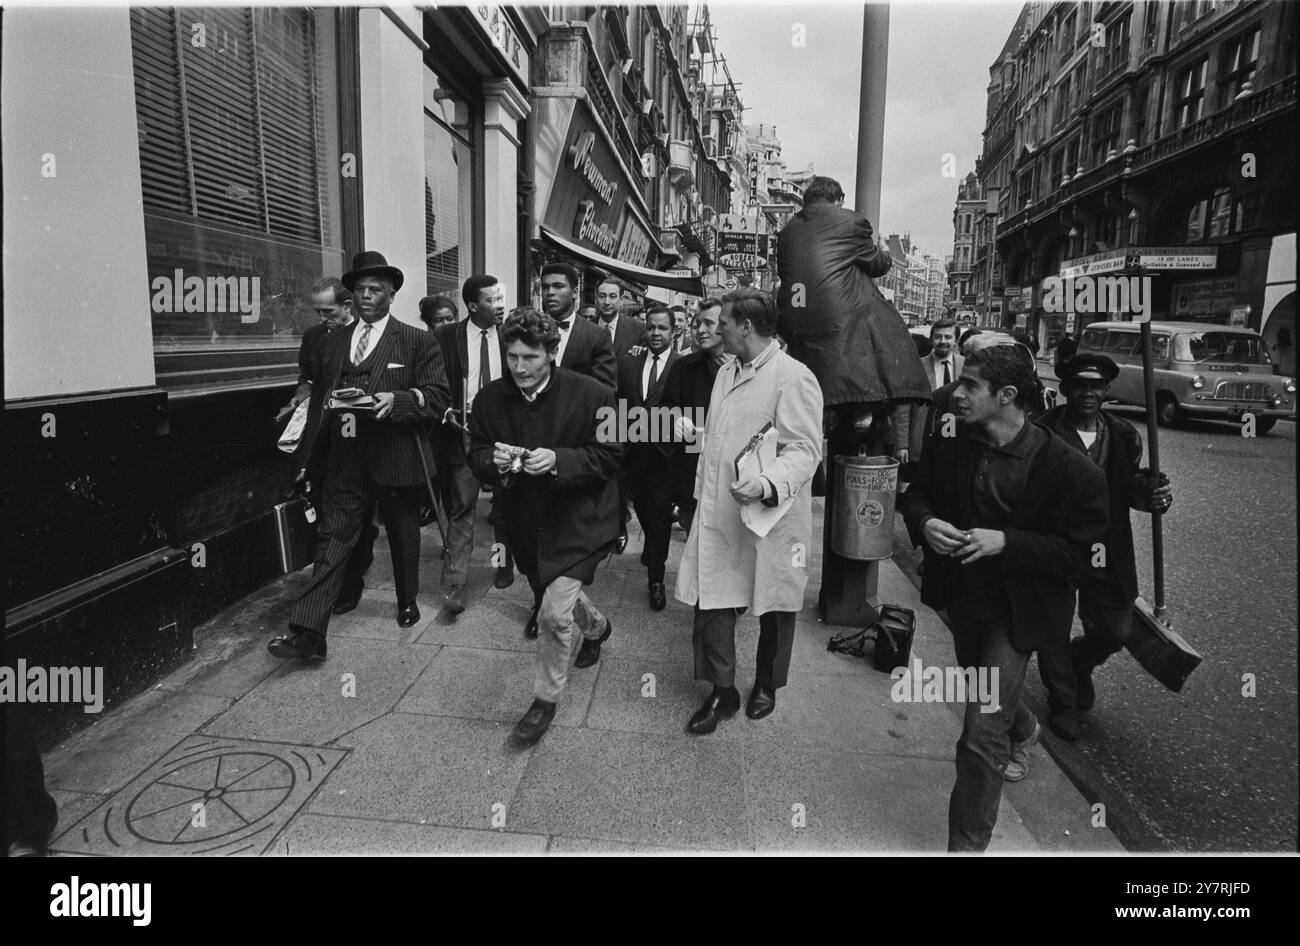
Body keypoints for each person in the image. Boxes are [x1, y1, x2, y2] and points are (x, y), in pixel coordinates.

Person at [898, 346, 1108, 852]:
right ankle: (1026, 725)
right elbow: (916, 494)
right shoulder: (954, 441)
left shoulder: (1067, 468)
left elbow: (1084, 556)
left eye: (970, 385)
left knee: (979, 733)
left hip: (1017, 615)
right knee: (982, 687)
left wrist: (1008, 542)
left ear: (1007, 396)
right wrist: (925, 523)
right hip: (960, 602)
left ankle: (966, 847)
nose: (957, 392)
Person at [268, 251, 451, 660]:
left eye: (375, 290)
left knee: (403, 534)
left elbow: (438, 397)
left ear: (390, 296)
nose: (367, 296)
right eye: (361, 290)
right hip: (345, 457)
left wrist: (398, 400)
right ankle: (309, 632)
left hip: (395, 454)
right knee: (333, 537)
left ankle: (406, 601)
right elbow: (317, 401)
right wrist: (307, 458)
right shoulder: (333, 342)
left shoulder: (415, 340)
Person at [467, 309, 622, 747]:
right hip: (525, 523)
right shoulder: (490, 399)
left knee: (553, 613)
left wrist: (560, 460)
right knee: (557, 591)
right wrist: (490, 463)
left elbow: (612, 455)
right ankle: (597, 627)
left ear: (552, 354)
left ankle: (544, 701)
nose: (519, 367)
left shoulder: (595, 395)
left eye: (530, 357)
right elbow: (475, 451)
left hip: (581, 520)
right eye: (512, 356)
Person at [675, 289, 823, 733]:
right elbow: (727, 435)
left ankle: (767, 683)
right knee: (713, 596)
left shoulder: (793, 377)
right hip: (722, 509)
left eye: (723, 321)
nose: (715, 328)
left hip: (770, 516)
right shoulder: (727, 371)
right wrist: (697, 437)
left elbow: (804, 450)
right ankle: (723, 691)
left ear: (747, 327)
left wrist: (765, 483)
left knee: (774, 601)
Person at [1037, 354, 1173, 737]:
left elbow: (1128, 490)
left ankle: (1079, 661)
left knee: (1115, 630)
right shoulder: (1040, 432)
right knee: (1053, 629)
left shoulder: (1125, 436)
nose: (1089, 393)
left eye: (1096, 386)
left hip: (1107, 548)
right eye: (1080, 385)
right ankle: (1063, 703)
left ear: (1106, 391)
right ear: (1065, 389)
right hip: (1056, 546)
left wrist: (1154, 494)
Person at [776, 175, 930, 456]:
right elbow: (875, 266)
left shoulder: (787, 231)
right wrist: (884, 251)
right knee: (883, 320)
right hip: (837, 318)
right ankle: (866, 404)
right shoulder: (853, 221)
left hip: (793, 314)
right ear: (838, 199)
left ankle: (829, 414)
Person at [278, 277, 380, 614]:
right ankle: (343, 584)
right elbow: (306, 380)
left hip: (359, 438)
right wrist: (296, 401)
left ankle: (356, 565)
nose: (323, 317)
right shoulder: (314, 338)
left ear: (347, 307)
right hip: (322, 438)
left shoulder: (366, 336)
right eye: (318, 311)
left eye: (329, 311)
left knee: (357, 516)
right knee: (328, 513)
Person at [430, 274, 515, 612]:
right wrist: (445, 410)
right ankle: (455, 584)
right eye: (492, 300)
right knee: (462, 508)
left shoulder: (511, 335)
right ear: (471, 306)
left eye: (500, 298)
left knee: (505, 509)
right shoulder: (446, 336)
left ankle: (502, 563)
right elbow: (433, 382)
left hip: (503, 434)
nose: (500, 305)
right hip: (462, 433)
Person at [616, 304, 681, 610]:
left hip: (665, 458)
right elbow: (619, 405)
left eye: (662, 328)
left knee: (658, 522)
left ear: (673, 330)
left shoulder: (682, 366)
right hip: (633, 457)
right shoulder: (628, 362)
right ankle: (653, 552)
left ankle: (656, 579)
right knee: (643, 512)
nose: (656, 333)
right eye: (651, 327)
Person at [658, 299, 728, 534]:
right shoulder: (683, 367)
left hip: (733, 478)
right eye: (697, 323)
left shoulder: (746, 367)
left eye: (709, 323)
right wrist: (676, 418)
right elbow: (667, 405)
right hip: (692, 471)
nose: (700, 330)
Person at [538, 262, 617, 391]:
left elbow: (604, 391)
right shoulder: (531, 329)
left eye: (558, 286)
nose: (550, 292)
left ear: (575, 292)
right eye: (545, 287)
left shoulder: (596, 336)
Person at [593, 276, 649, 357]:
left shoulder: (638, 330)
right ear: (596, 299)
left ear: (621, 300)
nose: (607, 302)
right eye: (602, 296)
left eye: (612, 296)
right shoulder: (585, 328)